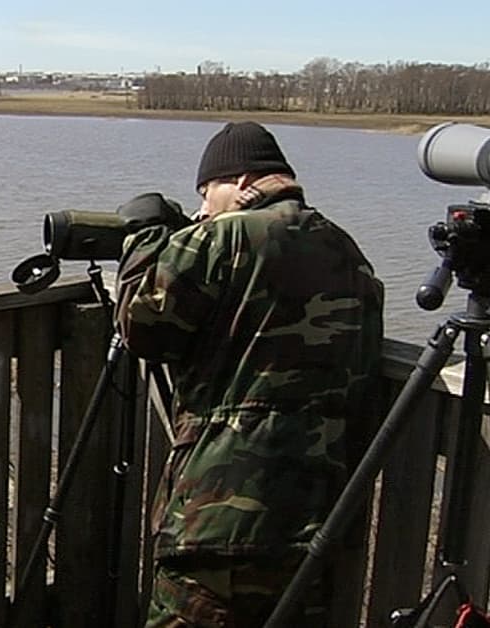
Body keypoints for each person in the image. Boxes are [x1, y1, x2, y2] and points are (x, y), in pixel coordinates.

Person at [113, 121, 385, 627]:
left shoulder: (225, 236)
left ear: (240, 183)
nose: (201, 209)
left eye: (206, 193)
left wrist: (143, 242)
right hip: (315, 516)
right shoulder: (348, 252)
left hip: (218, 519)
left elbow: (142, 328)